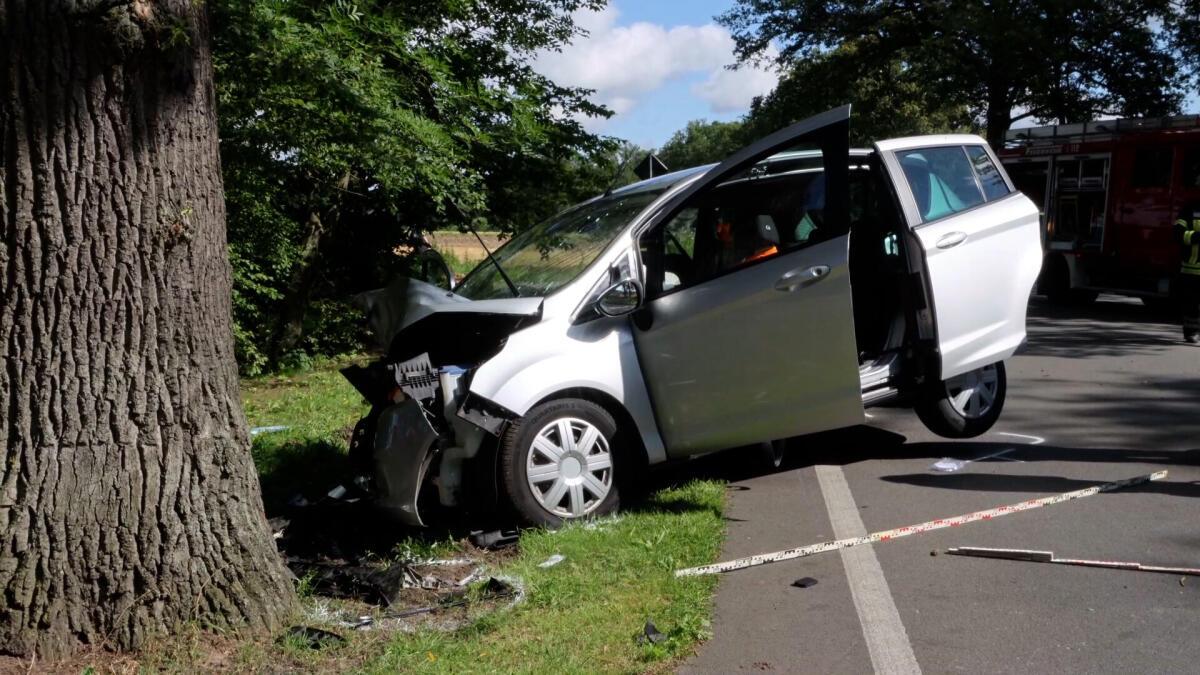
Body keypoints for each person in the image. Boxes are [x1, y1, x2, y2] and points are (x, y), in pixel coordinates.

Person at [1176, 200, 1200, 344]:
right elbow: (1178, 233)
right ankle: (1192, 333)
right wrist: (1197, 236)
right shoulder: (1190, 208)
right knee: (1191, 304)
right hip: (1191, 269)